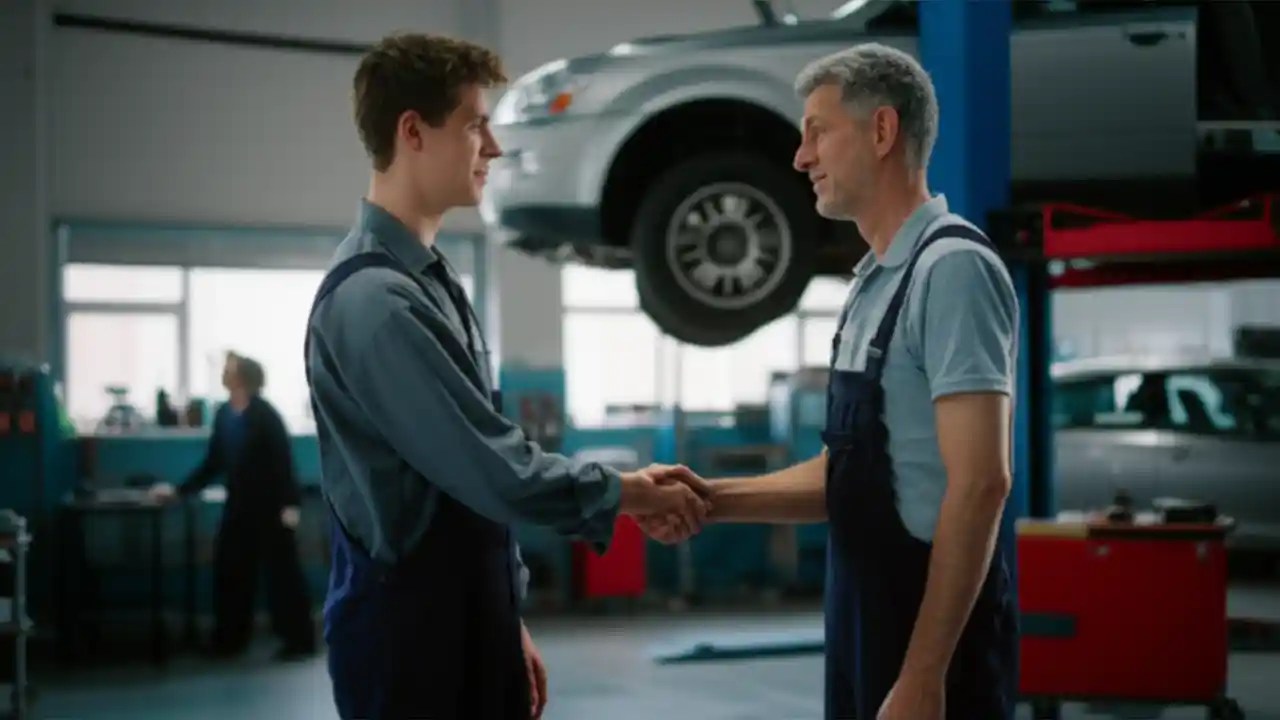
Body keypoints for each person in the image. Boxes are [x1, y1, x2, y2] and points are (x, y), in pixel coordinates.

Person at [304, 33, 710, 720]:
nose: (492, 147)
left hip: (464, 622)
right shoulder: (377, 304)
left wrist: (506, 613)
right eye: (474, 125)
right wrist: (632, 493)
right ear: (413, 133)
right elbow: (493, 471)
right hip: (410, 645)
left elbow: (466, 491)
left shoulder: (429, 283)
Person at [639, 43, 1020, 720]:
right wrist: (707, 499)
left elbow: (982, 482)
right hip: (863, 621)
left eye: (817, 132)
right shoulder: (874, 283)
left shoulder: (952, 268)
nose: (799, 157)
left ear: (880, 131)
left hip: (928, 638)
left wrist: (925, 675)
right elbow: (853, 472)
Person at [150, 352, 316, 660]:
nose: (224, 373)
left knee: (283, 577)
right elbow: (213, 462)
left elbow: (283, 464)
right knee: (231, 573)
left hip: (270, 509)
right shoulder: (225, 415)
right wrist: (179, 491)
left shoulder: (265, 415)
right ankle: (230, 640)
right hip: (239, 507)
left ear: (244, 378)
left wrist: (290, 506)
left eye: (230, 369)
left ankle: (299, 641)